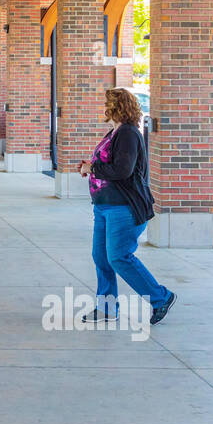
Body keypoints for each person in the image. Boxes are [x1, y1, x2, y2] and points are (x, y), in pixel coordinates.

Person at [78, 88, 175, 326]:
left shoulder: (129, 133)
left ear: (116, 106)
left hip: (123, 208)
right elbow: (111, 165)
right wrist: (91, 166)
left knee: (119, 257)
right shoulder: (114, 132)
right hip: (104, 206)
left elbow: (123, 170)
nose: (103, 106)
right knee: (101, 257)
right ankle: (107, 308)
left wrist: (93, 169)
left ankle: (160, 297)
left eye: (106, 102)